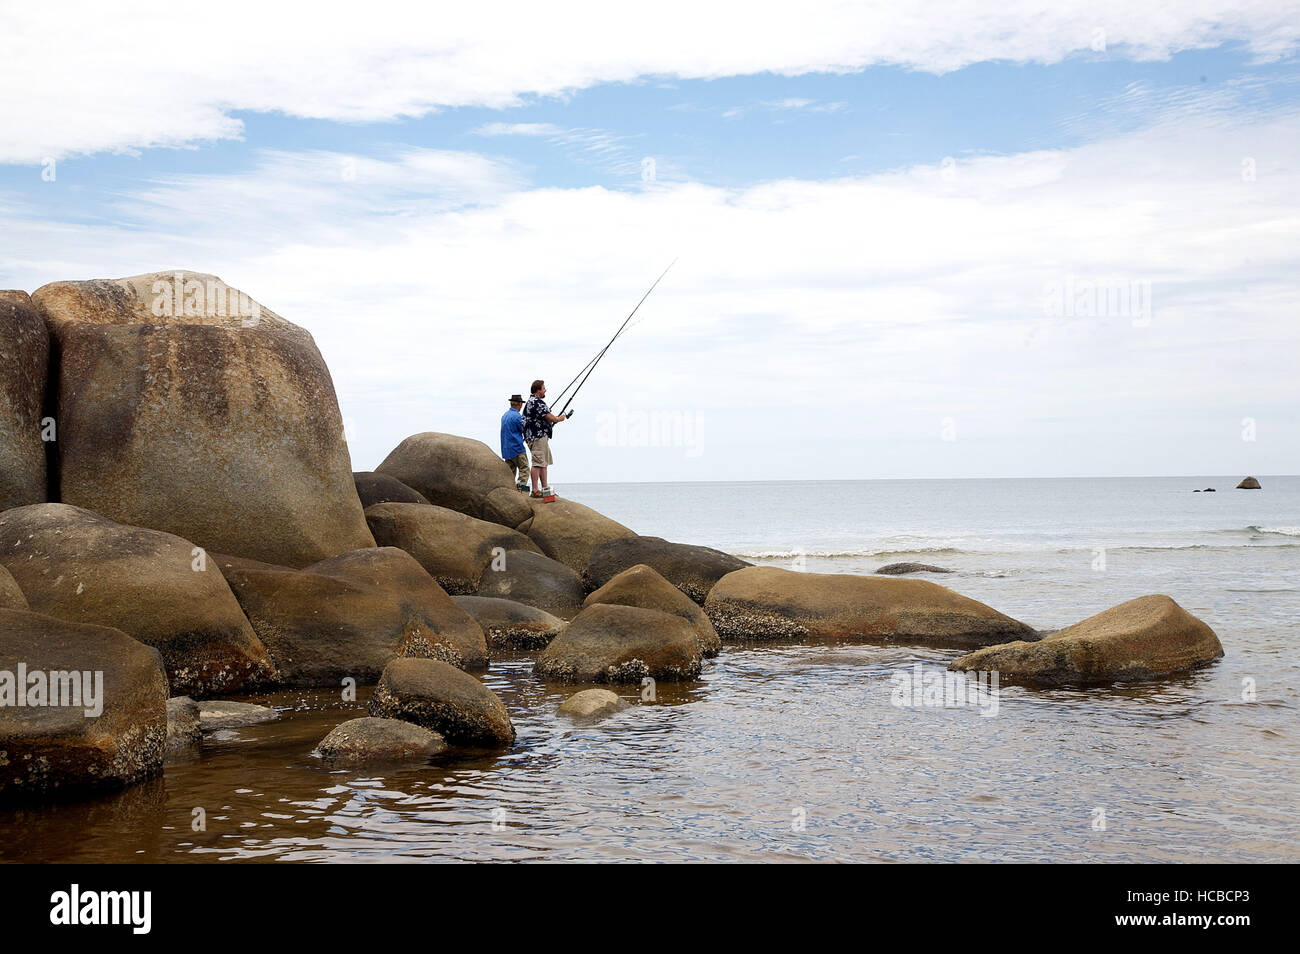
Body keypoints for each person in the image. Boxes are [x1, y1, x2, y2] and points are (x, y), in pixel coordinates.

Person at [522, 379, 572, 499]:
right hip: (537, 437)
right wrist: (560, 418)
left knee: (543, 463)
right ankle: (535, 490)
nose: (545, 390)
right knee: (537, 462)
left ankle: (545, 488)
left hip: (538, 436)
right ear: (538, 390)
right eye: (544, 388)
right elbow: (551, 418)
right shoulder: (536, 402)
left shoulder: (531, 401)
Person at [500, 394, 529, 492]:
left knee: (510, 473)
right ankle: (521, 490)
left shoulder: (504, 416)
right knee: (524, 469)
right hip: (517, 449)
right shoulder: (517, 416)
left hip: (506, 450)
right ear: (520, 404)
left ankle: (509, 491)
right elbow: (524, 430)